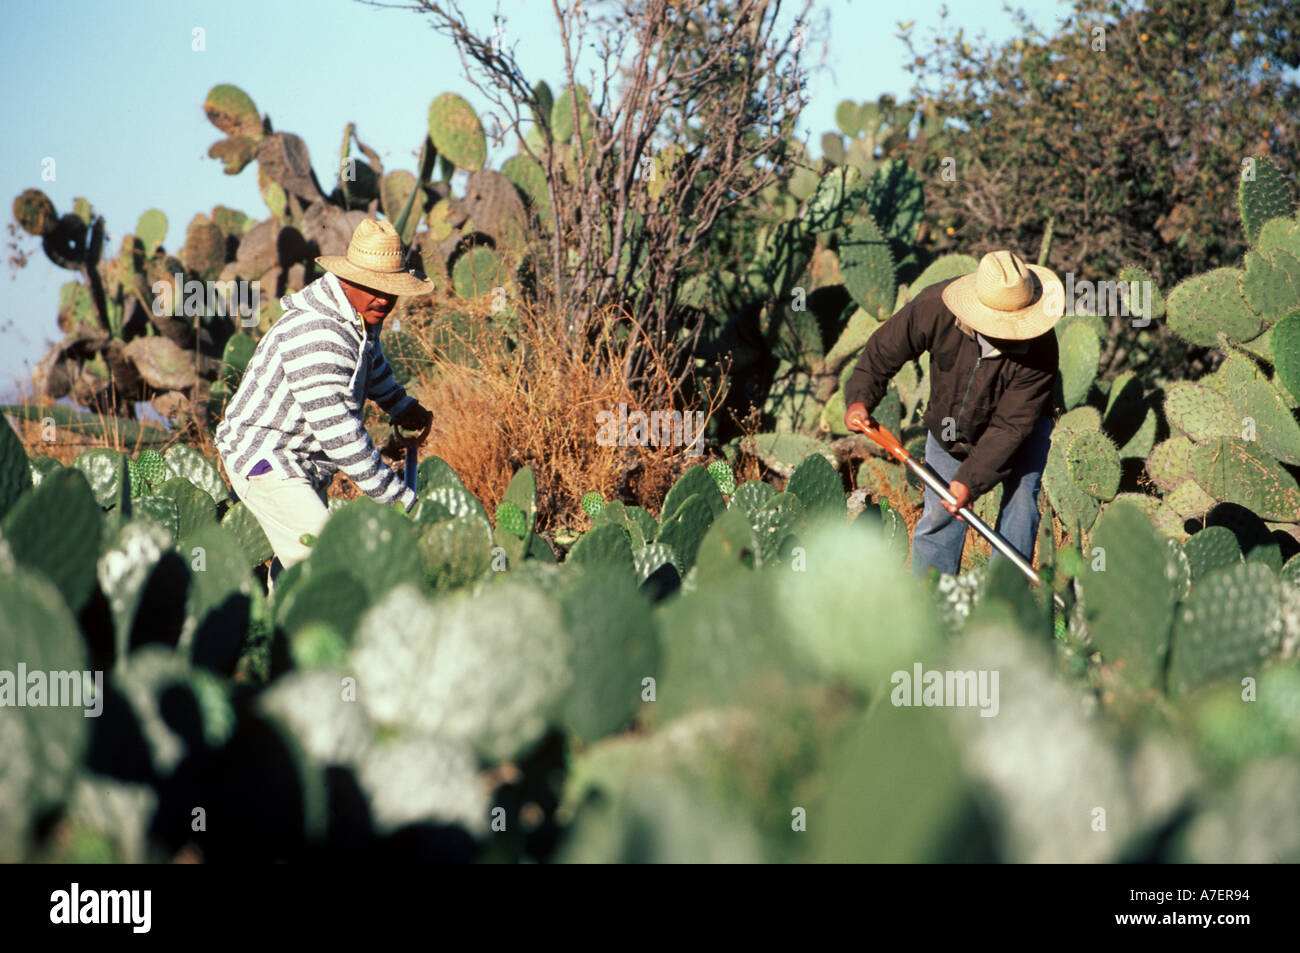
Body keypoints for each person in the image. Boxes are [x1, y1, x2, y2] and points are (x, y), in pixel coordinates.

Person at [216, 218, 435, 576]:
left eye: (391, 288)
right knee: (329, 569)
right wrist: (403, 501)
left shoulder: (356, 315)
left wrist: (401, 405)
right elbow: (342, 438)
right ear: (346, 277)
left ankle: (276, 626)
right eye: (373, 286)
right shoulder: (318, 334)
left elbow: (369, 360)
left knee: (299, 571)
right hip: (268, 459)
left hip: (303, 461)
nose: (383, 298)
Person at [844, 249, 1063, 577]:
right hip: (950, 426)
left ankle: (1004, 607)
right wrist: (860, 399)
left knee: (1021, 512)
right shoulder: (935, 307)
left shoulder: (1040, 348)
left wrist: (969, 482)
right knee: (939, 517)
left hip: (1021, 433)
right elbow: (883, 351)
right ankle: (932, 608)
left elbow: (1010, 427)